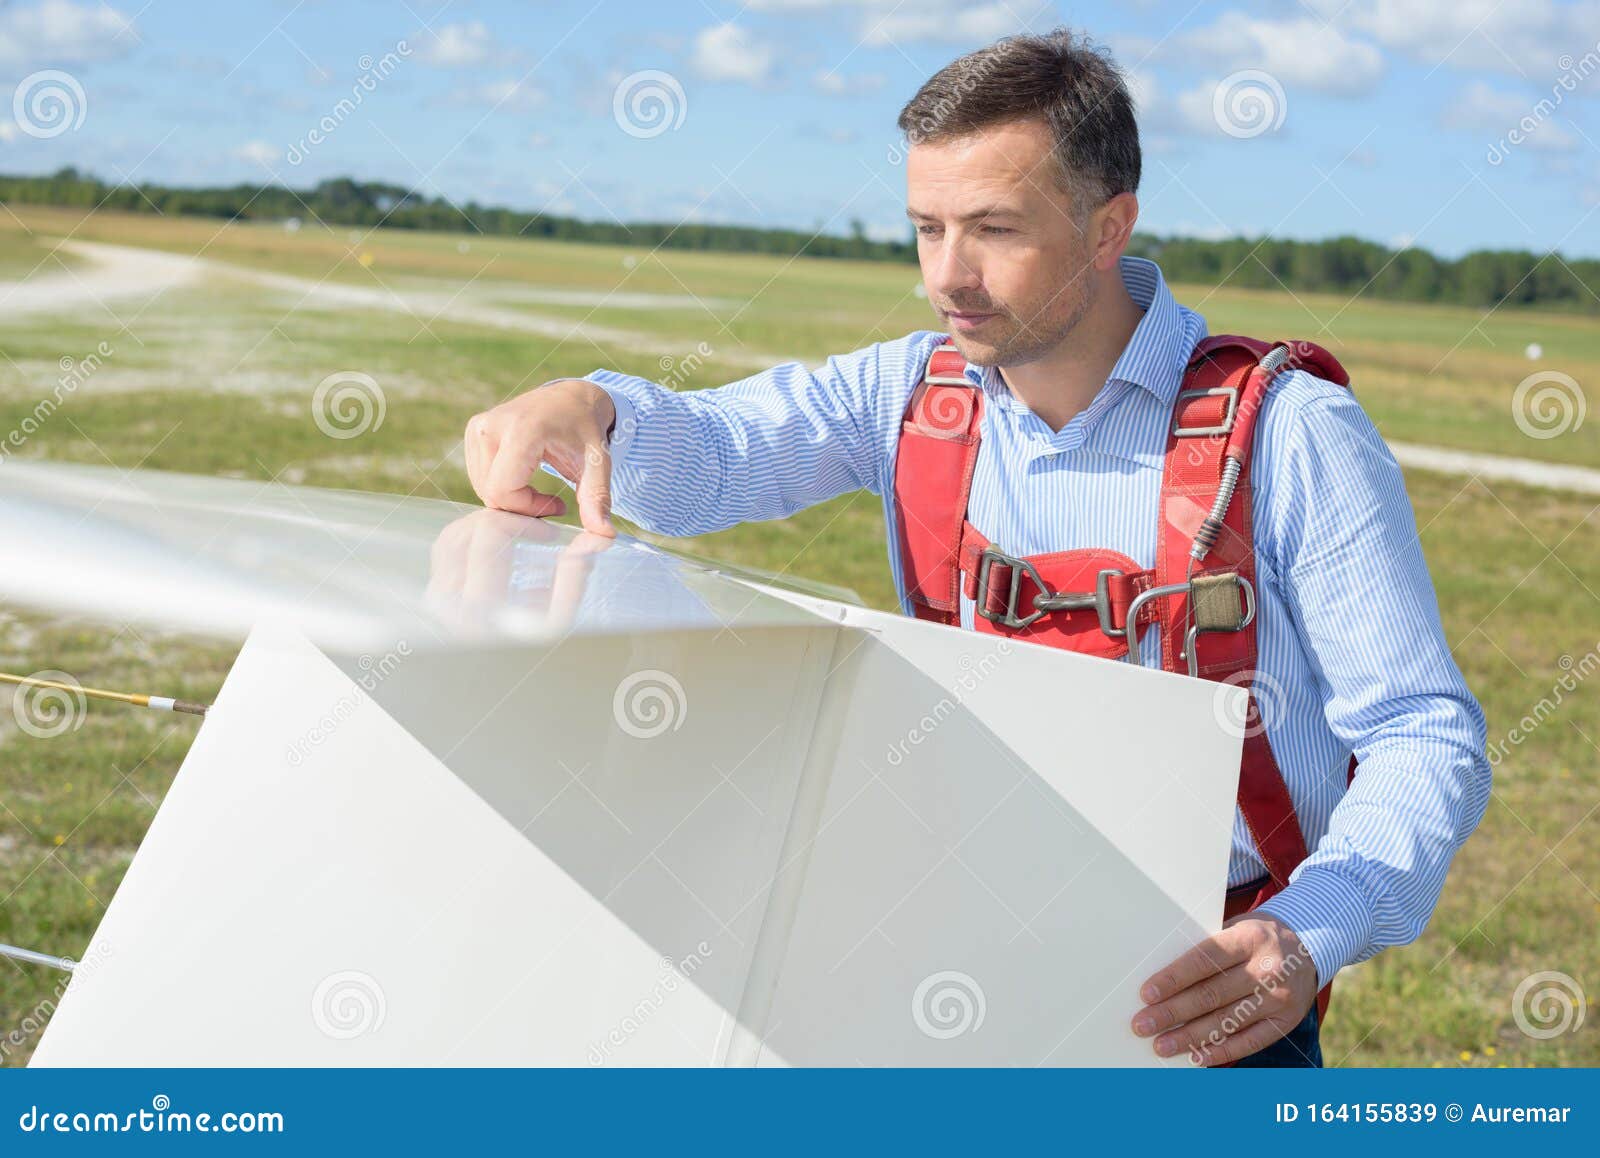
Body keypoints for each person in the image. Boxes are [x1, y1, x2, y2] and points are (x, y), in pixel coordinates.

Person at [462, 27, 1491, 1067]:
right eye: (927, 228)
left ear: (1108, 227)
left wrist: (1310, 930)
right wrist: (592, 409)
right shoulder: (905, 394)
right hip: (954, 954)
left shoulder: (1291, 434)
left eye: (995, 228)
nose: (948, 276)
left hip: (1207, 996)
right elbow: (719, 451)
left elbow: (1421, 731)